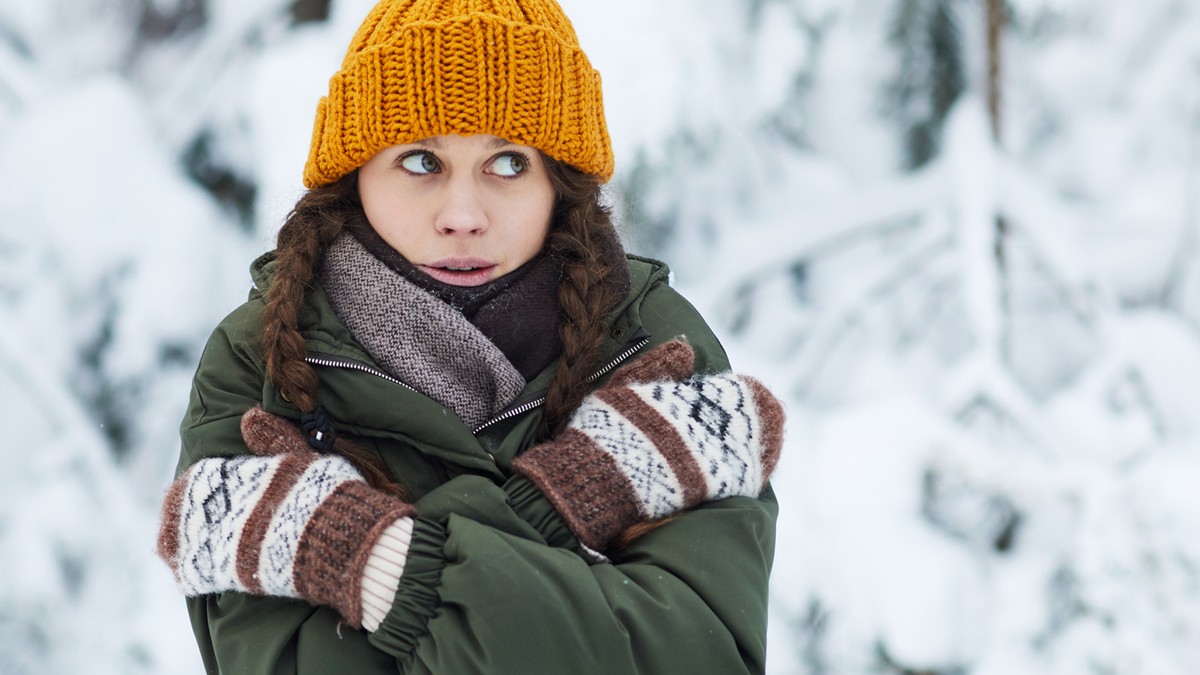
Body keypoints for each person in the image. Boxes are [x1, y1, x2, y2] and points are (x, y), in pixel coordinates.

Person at [155, 0, 785, 673]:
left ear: (558, 182)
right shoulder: (262, 362)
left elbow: (698, 657)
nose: (462, 215)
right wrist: (559, 511)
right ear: (357, 173)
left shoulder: (650, 345)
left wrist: (377, 563)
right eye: (421, 161)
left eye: (508, 164)